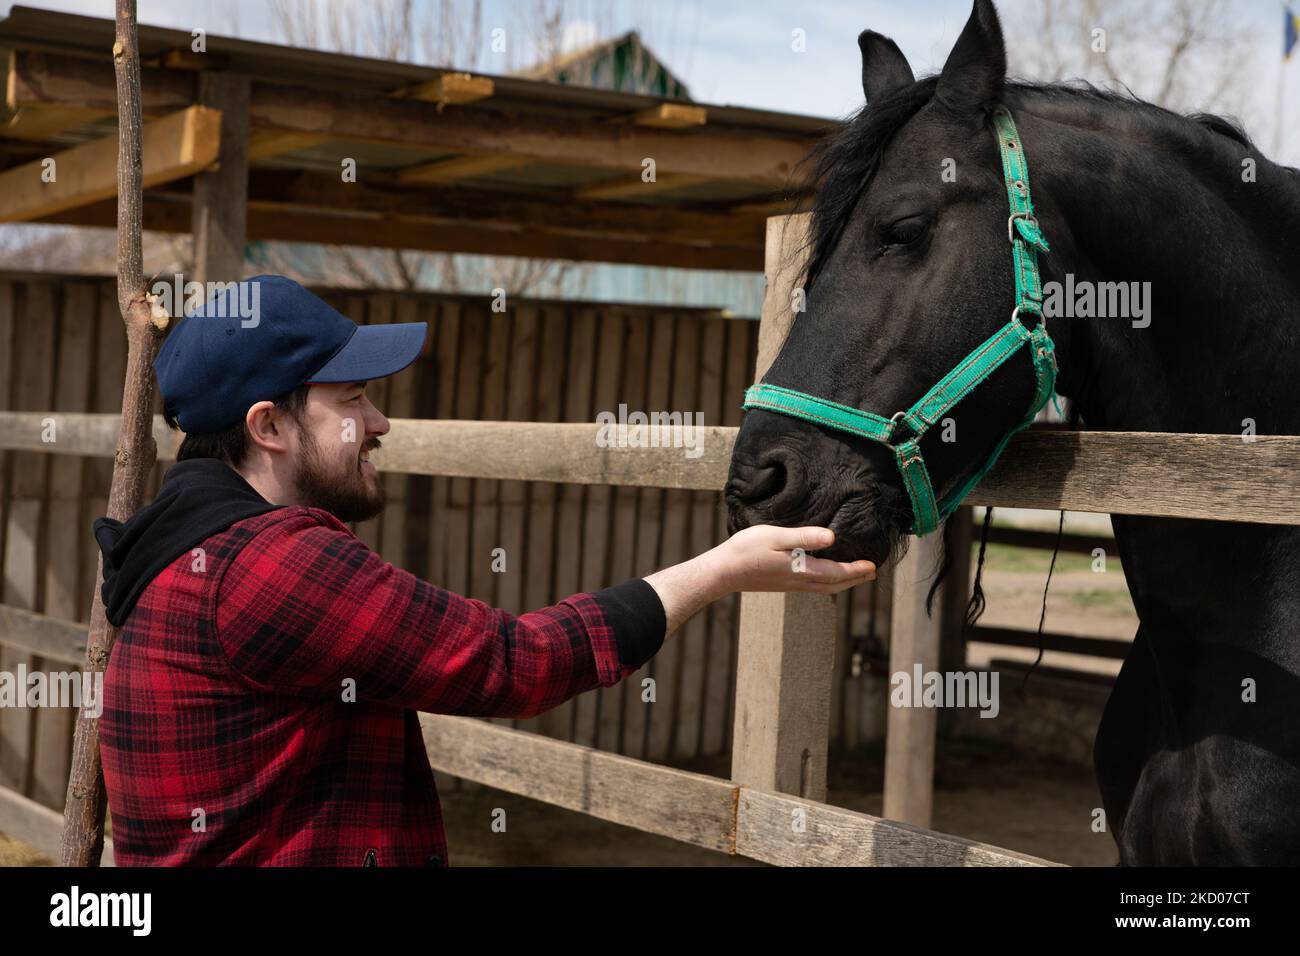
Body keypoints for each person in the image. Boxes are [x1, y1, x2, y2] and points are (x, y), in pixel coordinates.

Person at [93, 275, 875, 866]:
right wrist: (722, 569)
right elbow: (515, 664)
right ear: (268, 426)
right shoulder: (270, 564)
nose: (379, 423)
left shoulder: (173, 549)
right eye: (355, 401)